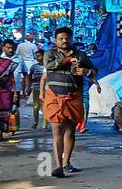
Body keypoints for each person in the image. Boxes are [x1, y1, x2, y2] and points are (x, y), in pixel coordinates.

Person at [40, 27, 95, 176]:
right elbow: (49, 66)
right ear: (56, 40)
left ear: (71, 38)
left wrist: (86, 72)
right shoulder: (50, 54)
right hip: (54, 97)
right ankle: (58, 166)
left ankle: (66, 163)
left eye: (66, 38)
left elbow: (94, 70)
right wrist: (67, 60)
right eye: (61, 39)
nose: (64, 41)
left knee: (70, 132)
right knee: (57, 130)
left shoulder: (81, 55)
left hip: (73, 97)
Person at [22, 49, 45, 128]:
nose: (37, 57)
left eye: (39, 55)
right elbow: (28, 76)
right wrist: (27, 87)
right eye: (36, 56)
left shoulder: (48, 66)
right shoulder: (34, 67)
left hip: (46, 88)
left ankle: (45, 124)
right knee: (36, 106)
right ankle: (35, 122)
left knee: (45, 106)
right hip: (36, 88)